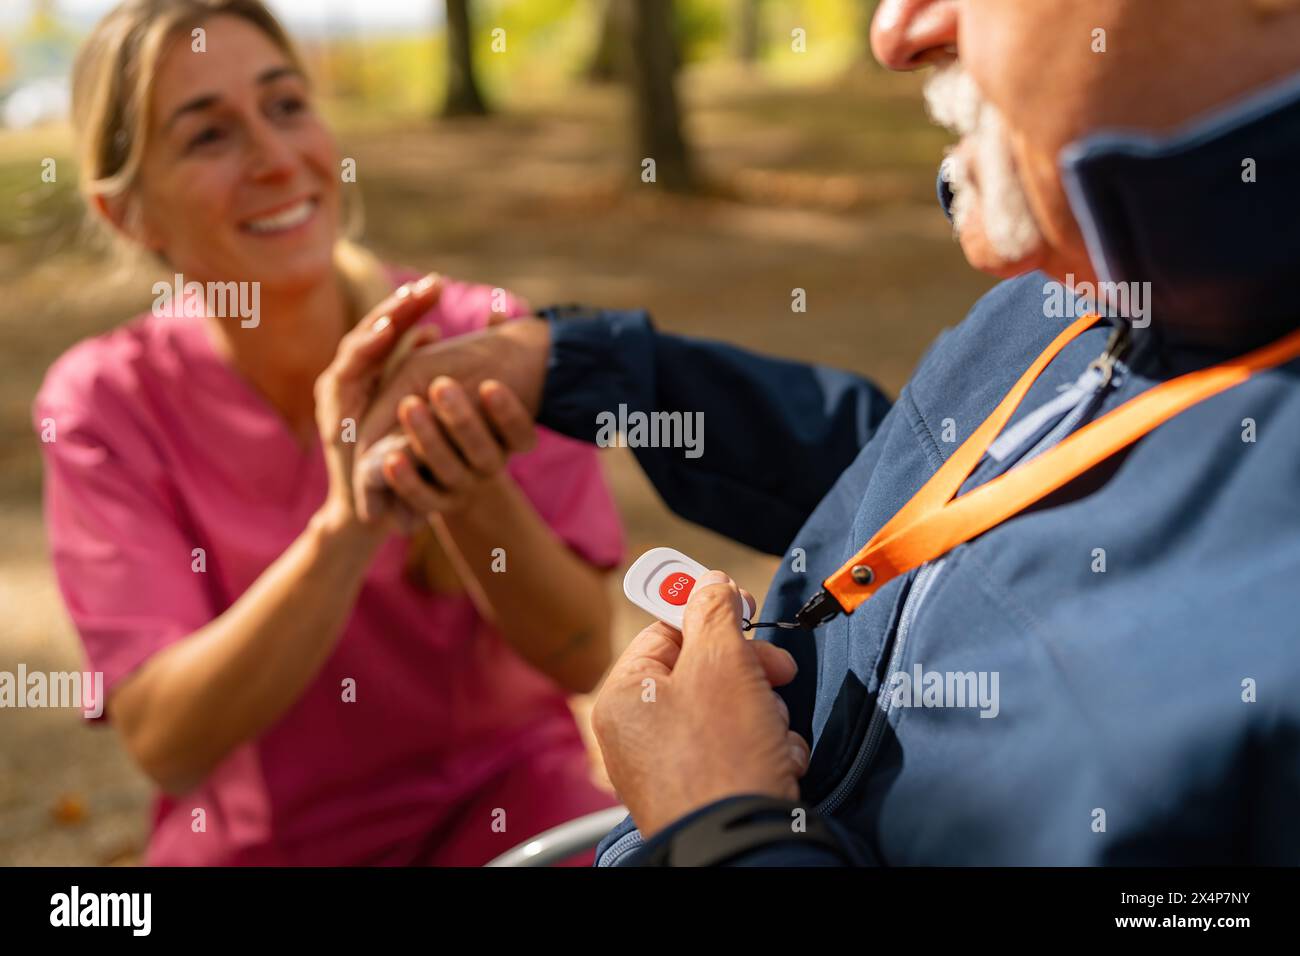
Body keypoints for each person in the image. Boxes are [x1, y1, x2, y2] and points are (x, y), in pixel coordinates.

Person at [361, 0, 1300, 864]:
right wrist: (585, 371)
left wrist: (718, 829)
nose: (895, 31)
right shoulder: (1096, 277)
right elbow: (931, 494)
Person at [34, 0, 620, 866]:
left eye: (286, 106)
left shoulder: (483, 335)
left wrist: (467, 487)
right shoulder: (105, 404)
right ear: (129, 216)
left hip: (510, 822)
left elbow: (581, 655)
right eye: (208, 136)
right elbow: (170, 742)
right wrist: (345, 530)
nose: (275, 159)